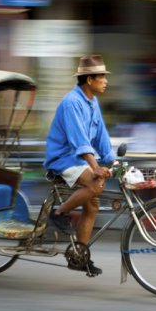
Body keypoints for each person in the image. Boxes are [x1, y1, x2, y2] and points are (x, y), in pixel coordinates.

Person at [44, 55, 117, 276]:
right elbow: (80, 142)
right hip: (63, 159)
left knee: (92, 205)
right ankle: (58, 213)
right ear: (89, 80)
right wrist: (96, 168)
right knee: (96, 185)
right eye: (102, 76)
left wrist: (113, 161)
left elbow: (101, 137)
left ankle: (80, 257)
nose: (105, 81)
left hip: (79, 160)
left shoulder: (93, 103)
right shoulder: (71, 102)